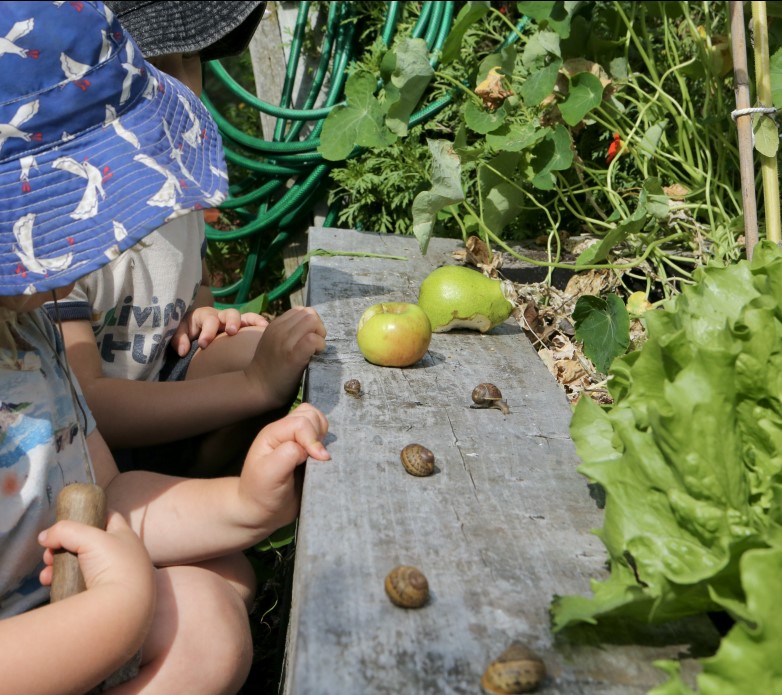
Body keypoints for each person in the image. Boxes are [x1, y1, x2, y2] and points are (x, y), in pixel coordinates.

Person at [0, 4, 330, 693]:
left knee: (208, 616)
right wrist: (116, 612)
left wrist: (243, 503)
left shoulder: (27, 333)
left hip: (69, 604)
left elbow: (109, 494)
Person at [47, 0, 327, 477]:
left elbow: (192, 288)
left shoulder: (178, 190)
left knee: (276, 346)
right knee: (265, 370)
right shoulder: (59, 224)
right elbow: (86, 402)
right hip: (81, 446)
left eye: (192, 59)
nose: (185, 86)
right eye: (154, 63)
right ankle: (206, 505)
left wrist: (203, 311)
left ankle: (208, 481)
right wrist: (253, 387)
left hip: (165, 382)